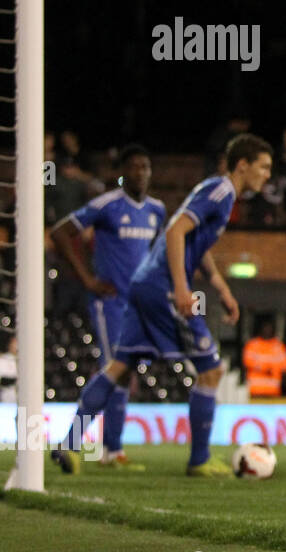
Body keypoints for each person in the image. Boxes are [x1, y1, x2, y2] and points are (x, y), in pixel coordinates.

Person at [50, 133, 274, 476]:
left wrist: (220, 286)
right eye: (264, 167)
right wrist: (182, 289)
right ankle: (198, 460)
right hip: (163, 288)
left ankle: (70, 444)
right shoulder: (220, 191)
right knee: (211, 370)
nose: (268, 175)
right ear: (243, 165)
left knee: (119, 366)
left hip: (144, 286)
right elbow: (175, 234)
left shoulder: (218, 195)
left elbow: (195, 243)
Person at [49, 144, 166, 468]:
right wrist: (86, 278)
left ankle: (111, 451)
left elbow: (159, 254)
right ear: (122, 174)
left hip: (139, 305)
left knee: (122, 372)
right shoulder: (107, 205)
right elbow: (60, 232)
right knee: (115, 367)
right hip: (110, 302)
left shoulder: (156, 210)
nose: (140, 173)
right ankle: (73, 442)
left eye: (145, 167)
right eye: (134, 167)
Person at [242, 318, 286, 397]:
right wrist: (265, 368)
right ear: (260, 329)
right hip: (255, 390)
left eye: (269, 328)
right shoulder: (252, 345)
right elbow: (247, 362)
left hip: (273, 391)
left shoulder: (278, 346)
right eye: (265, 328)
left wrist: (272, 368)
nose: (267, 330)